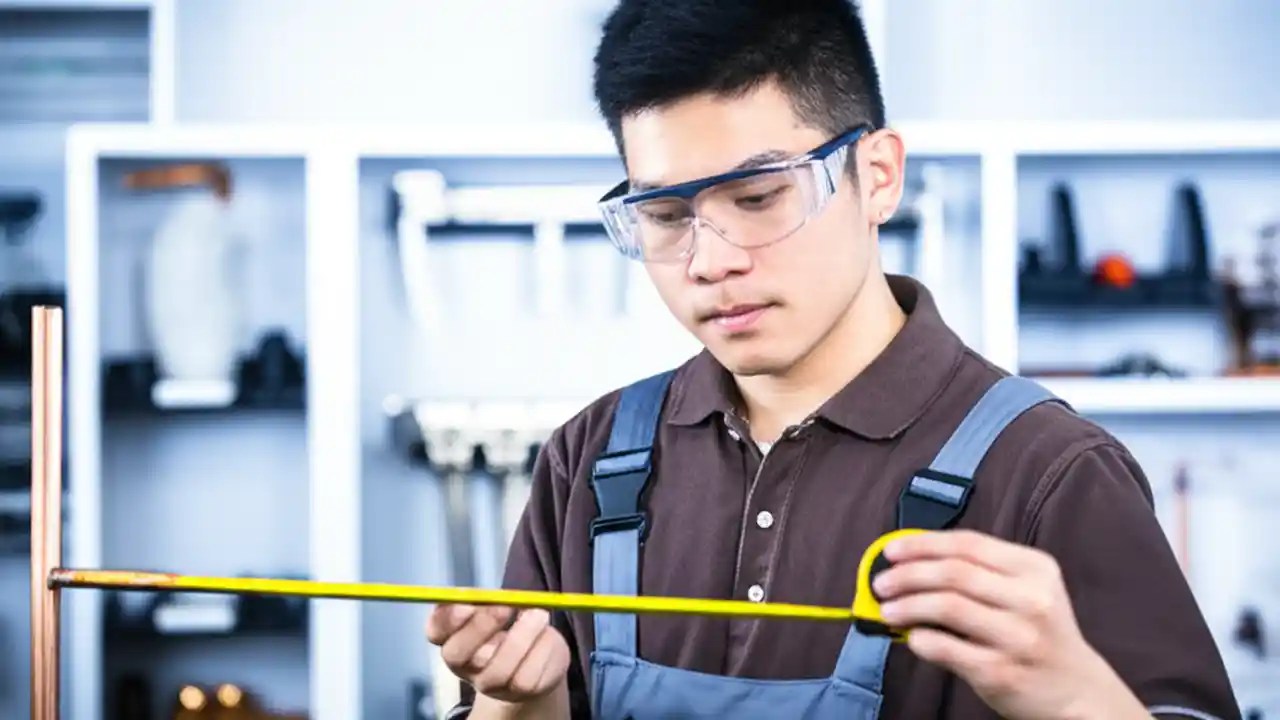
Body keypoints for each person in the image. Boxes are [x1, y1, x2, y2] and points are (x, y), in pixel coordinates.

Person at [425, 1, 1241, 718]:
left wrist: (1074, 700)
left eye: (757, 197)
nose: (709, 261)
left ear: (877, 176)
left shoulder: (1049, 473)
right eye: (667, 214)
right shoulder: (590, 456)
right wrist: (517, 704)